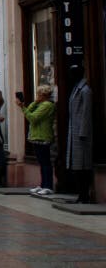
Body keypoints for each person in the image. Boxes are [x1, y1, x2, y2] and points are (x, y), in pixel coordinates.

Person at [16, 85, 56, 195]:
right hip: (36, 136)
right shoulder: (40, 104)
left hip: (43, 136)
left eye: (39, 94)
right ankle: (43, 184)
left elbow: (33, 118)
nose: (37, 96)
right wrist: (33, 103)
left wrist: (23, 108)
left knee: (45, 163)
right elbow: (29, 111)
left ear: (44, 95)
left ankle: (48, 185)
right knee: (41, 162)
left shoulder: (47, 105)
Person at [66, 65, 93, 203]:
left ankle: (85, 195)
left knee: (83, 166)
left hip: (82, 135)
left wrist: (83, 132)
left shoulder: (85, 90)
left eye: (72, 73)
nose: (70, 76)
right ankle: (81, 194)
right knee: (76, 166)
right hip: (74, 132)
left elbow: (86, 113)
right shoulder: (76, 89)